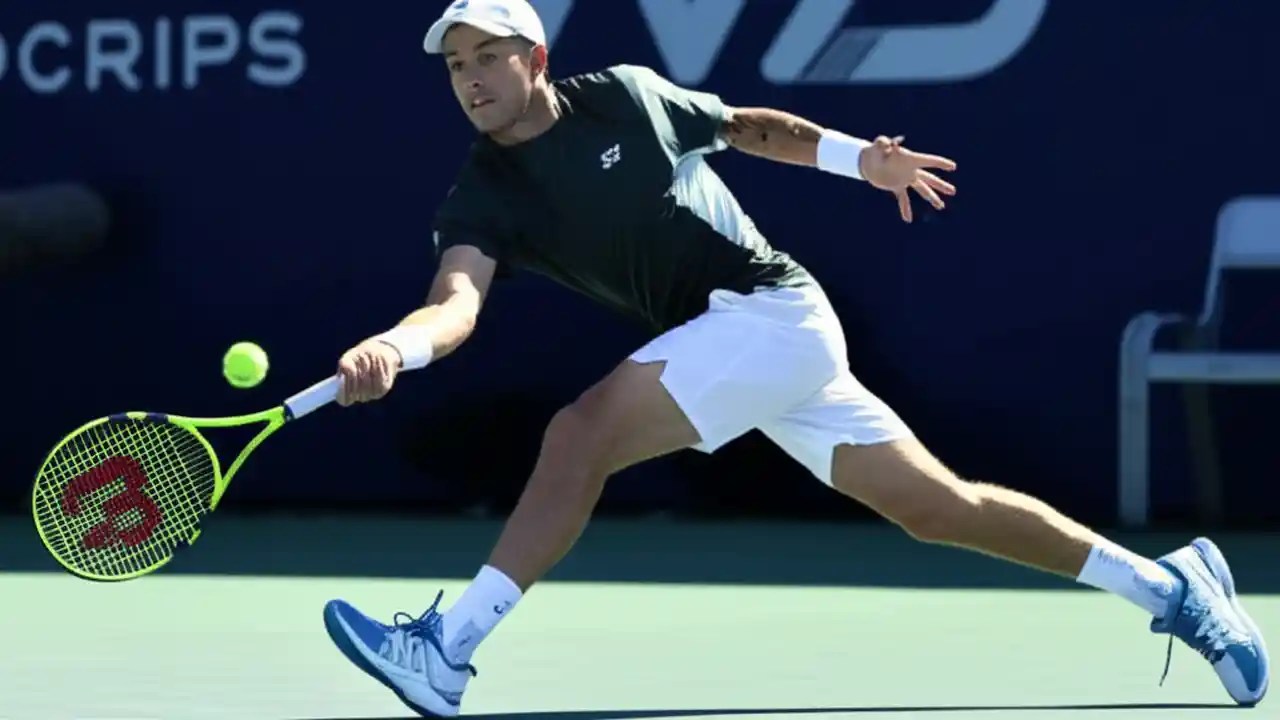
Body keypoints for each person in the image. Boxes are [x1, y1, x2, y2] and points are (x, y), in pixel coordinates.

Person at [319, 0, 1269, 715]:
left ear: (536, 60)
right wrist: (397, 347)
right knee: (939, 510)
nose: (471, 78)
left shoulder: (622, 98)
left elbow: (744, 128)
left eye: (488, 56)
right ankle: (1172, 587)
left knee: (579, 436)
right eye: (456, 65)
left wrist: (863, 160)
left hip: (768, 312)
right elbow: (456, 301)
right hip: (739, 346)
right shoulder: (481, 191)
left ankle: (448, 648)